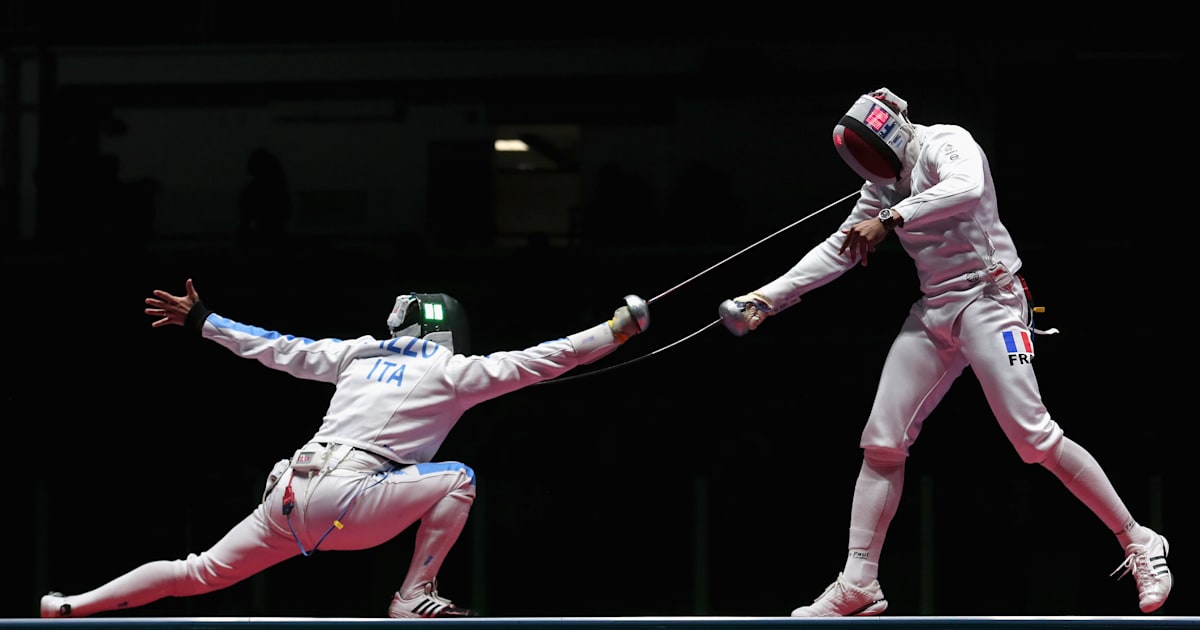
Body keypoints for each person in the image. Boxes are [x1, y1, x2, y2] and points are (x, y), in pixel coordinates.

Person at [718, 88, 1171, 616]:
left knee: (1033, 439)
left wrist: (889, 220)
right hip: (935, 311)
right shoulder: (881, 189)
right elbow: (837, 249)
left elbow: (965, 186)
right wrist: (767, 299)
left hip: (992, 300)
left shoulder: (946, 143)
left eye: (869, 153)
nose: (866, 168)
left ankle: (1139, 539)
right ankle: (859, 581)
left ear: (888, 133)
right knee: (882, 439)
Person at [41, 278, 649, 618]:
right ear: (449, 332)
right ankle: (413, 596)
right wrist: (616, 330)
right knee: (458, 477)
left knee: (197, 572)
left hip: (287, 493)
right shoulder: (454, 371)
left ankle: (69, 607)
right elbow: (547, 358)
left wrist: (205, 321)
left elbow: (278, 346)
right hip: (350, 498)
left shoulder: (358, 354)